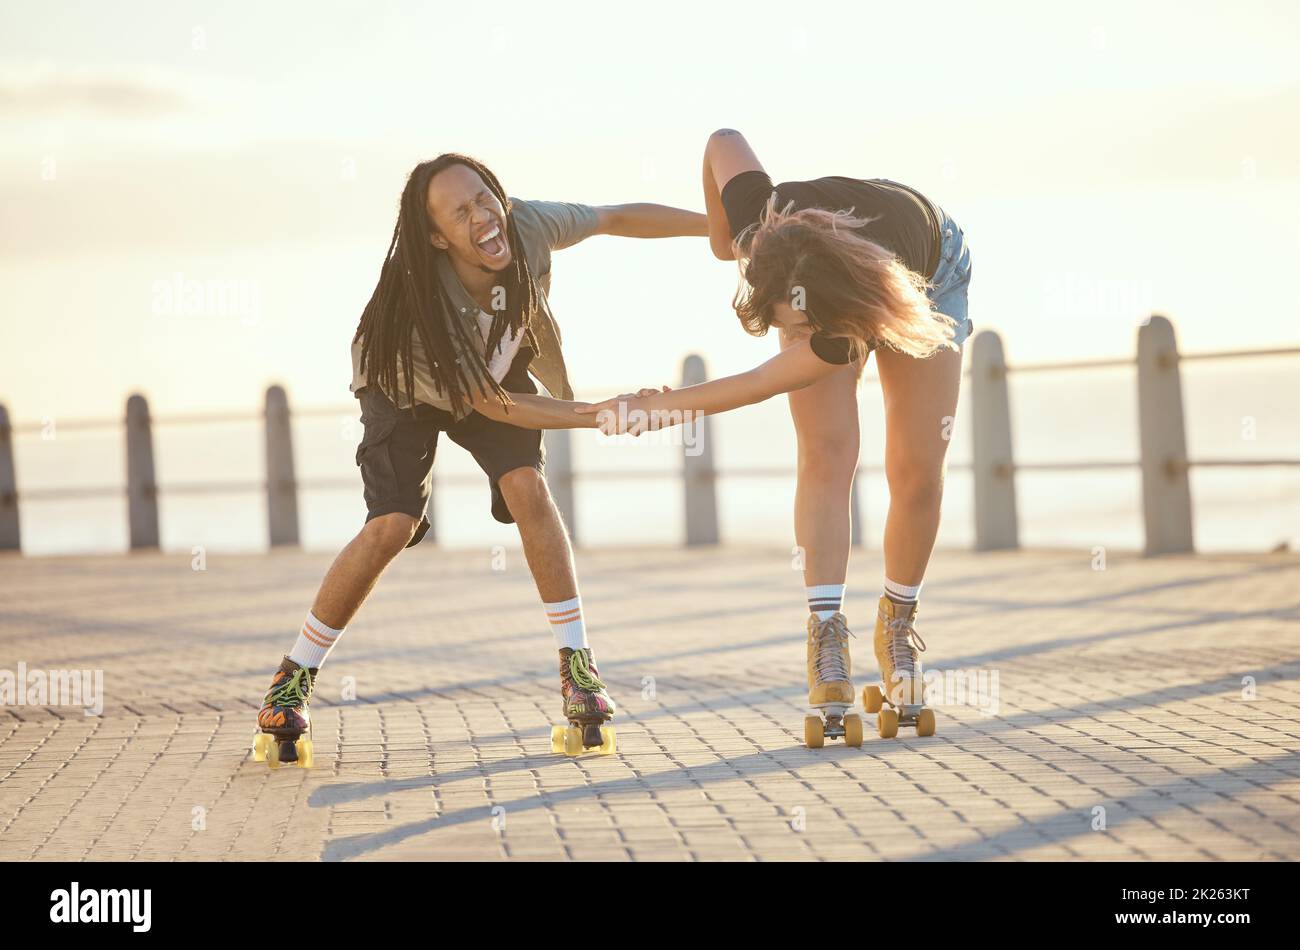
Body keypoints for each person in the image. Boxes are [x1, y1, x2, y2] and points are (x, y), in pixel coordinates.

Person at [254, 153, 705, 766]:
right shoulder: (421, 306)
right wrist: (604, 412)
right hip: (405, 381)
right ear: (438, 237)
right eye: (460, 213)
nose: (482, 217)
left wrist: (720, 231)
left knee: (528, 489)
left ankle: (579, 670)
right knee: (393, 525)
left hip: (492, 367)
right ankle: (292, 679)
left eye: (484, 197)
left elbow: (615, 216)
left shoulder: (527, 225)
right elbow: (493, 407)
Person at [582, 128, 973, 738]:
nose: (794, 338)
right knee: (827, 452)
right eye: (788, 327)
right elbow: (722, 141)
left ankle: (897, 626)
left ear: (834, 321)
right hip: (816, 262)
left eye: (805, 330)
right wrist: (720, 241)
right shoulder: (756, 228)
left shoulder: (842, 318)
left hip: (929, 263)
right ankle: (826, 635)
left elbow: (758, 383)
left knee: (917, 470)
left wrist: (666, 407)